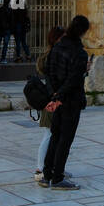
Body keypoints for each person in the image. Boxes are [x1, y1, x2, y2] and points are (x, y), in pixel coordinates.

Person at [41, 15, 90, 190]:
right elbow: (73, 80)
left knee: (55, 136)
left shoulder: (57, 47)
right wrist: (60, 95)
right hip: (70, 101)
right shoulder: (79, 53)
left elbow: (48, 72)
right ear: (83, 31)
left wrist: (54, 95)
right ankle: (58, 177)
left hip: (57, 99)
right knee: (65, 139)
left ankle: (47, 175)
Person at [33, 26, 64, 182]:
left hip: (54, 100)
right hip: (52, 101)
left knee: (54, 135)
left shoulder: (52, 55)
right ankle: (40, 168)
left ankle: (50, 167)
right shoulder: (52, 56)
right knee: (49, 134)